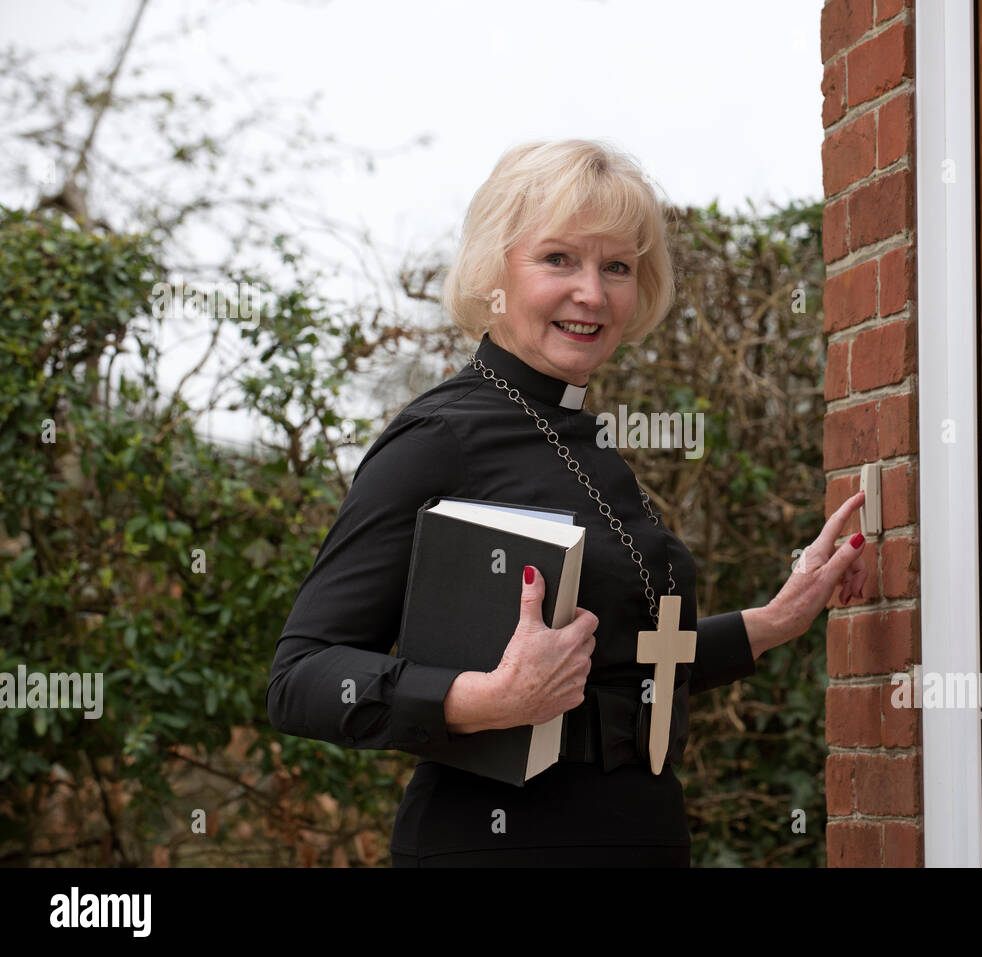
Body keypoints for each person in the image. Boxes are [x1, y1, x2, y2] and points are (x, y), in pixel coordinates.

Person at [265, 139, 869, 867]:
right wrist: (483, 699)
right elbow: (300, 677)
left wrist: (775, 621)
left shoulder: (584, 439)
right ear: (495, 270)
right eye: (559, 260)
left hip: (642, 835)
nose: (593, 292)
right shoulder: (440, 435)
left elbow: (622, 666)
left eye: (617, 266)